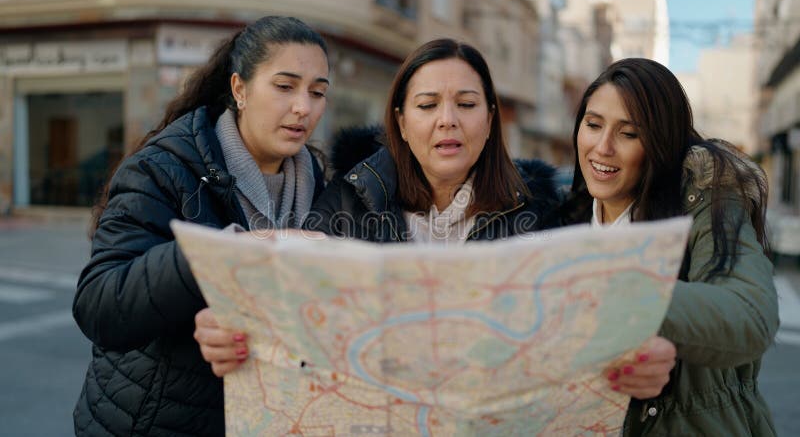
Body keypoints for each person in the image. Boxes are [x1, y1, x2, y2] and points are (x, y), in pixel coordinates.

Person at [193, 40, 674, 412]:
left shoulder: (547, 216)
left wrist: (638, 365)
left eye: (466, 104)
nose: (448, 121)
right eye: (427, 106)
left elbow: (583, 344)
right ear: (401, 123)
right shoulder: (343, 207)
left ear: (490, 119)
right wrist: (234, 332)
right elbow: (290, 328)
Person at [72, 16, 330, 436]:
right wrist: (222, 254)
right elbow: (99, 304)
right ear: (239, 89)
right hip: (154, 418)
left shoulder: (320, 183)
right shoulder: (162, 168)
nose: (304, 106)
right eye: (285, 86)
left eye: (317, 92)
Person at [560, 57, 778, 435]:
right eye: (593, 125)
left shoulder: (707, 205)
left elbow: (750, 316)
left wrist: (624, 294)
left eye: (628, 134)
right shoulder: (563, 219)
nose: (602, 147)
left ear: (661, 143)